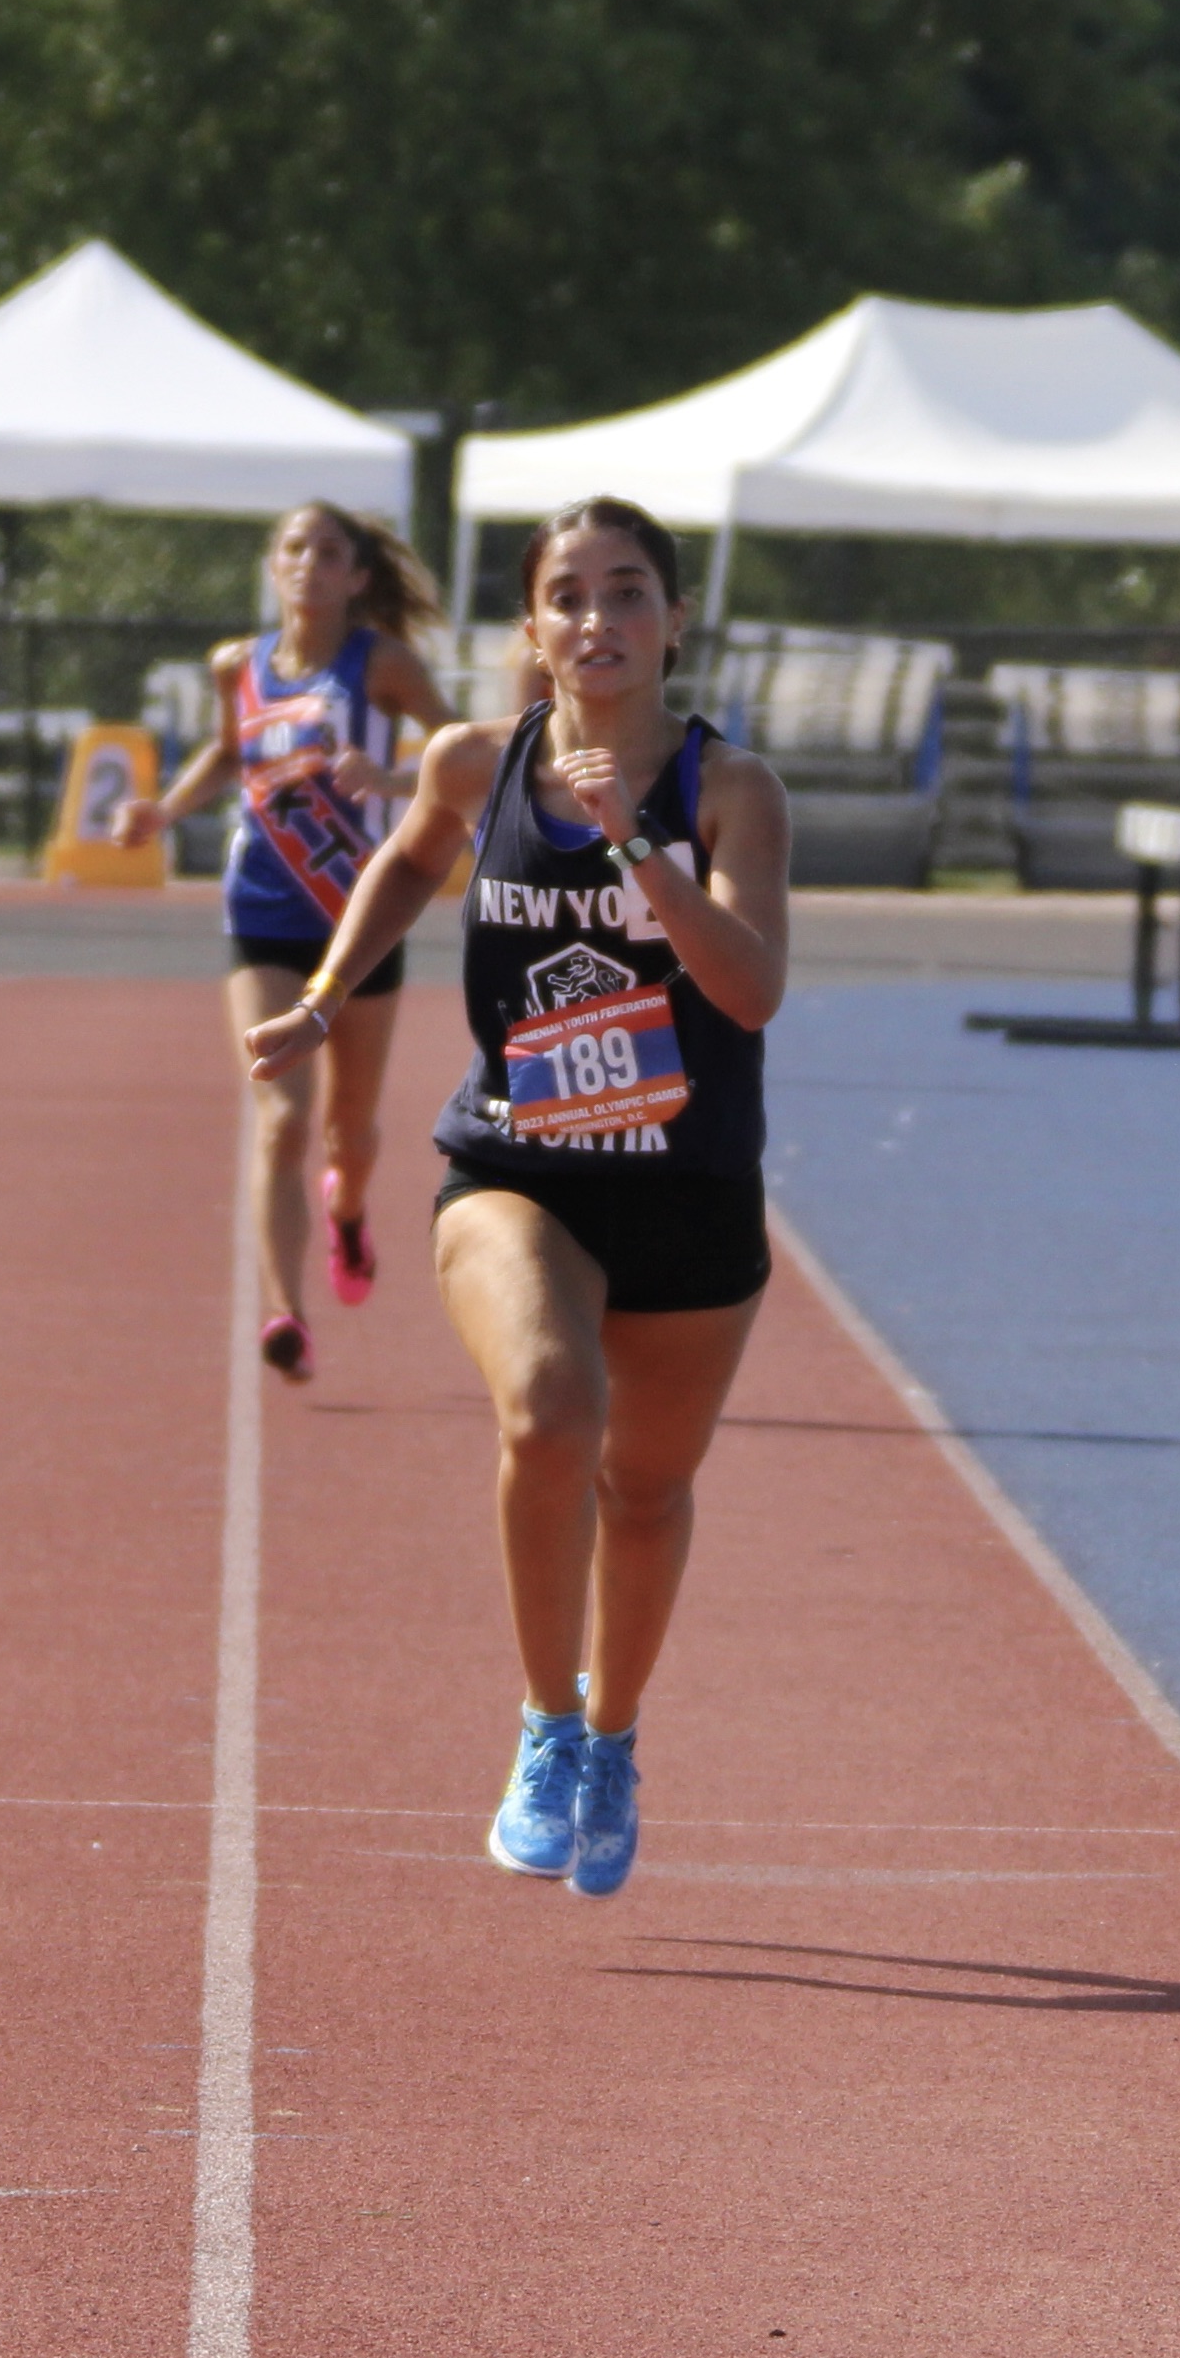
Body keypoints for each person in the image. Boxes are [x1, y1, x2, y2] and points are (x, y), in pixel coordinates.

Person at [243, 496, 789, 1898]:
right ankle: (547, 1720)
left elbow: (746, 987)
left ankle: (612, 1738)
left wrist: (633, 847)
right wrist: (321, 997)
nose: (595, 620)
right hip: (514, 1168)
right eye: (566, 595)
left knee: (647, 1487)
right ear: (530, 628)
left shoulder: (731, 791)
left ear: (671, 620)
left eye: (624, 593)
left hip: (690, 1186)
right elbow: (410, 856)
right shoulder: (472, 760)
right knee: (551, 1412)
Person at [114, 502, 453, 1382]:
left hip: (359, 920)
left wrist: (392, 776)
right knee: (282, 1116)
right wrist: (164, 810)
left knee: (348, 1131)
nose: (308, 564)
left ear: (356, 577)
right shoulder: (240, 664)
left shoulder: (382, 665)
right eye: (293, 548)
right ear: (273, 566)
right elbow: (229, 755)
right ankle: (285, 1311)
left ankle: (348, 1212)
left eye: (328, 551)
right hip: (262, 909)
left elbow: (462, 755)